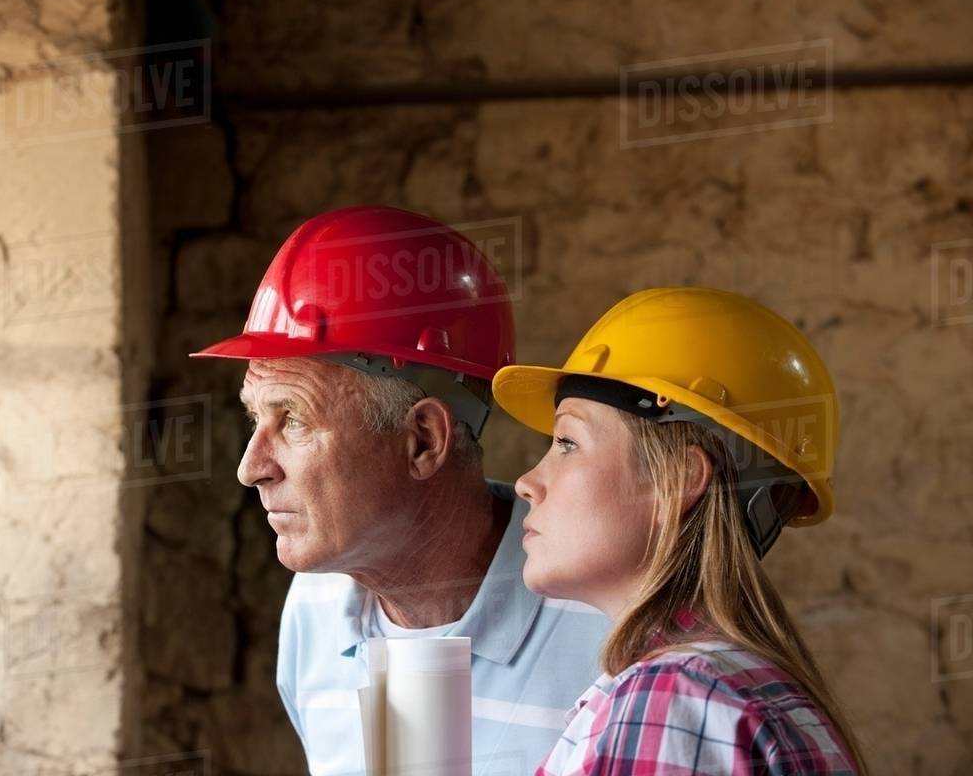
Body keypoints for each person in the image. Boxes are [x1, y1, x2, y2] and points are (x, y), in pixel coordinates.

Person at [191, 205, 611, 776]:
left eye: (293, 421)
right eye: (254, 419)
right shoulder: (314, 609)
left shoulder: (610, 628)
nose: (251, 468)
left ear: (421, 440)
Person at [491, 287, 865, 775]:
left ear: (681, 481)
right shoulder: (732, 686)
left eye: (567, 442)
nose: (527, 483)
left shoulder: (673, 700)